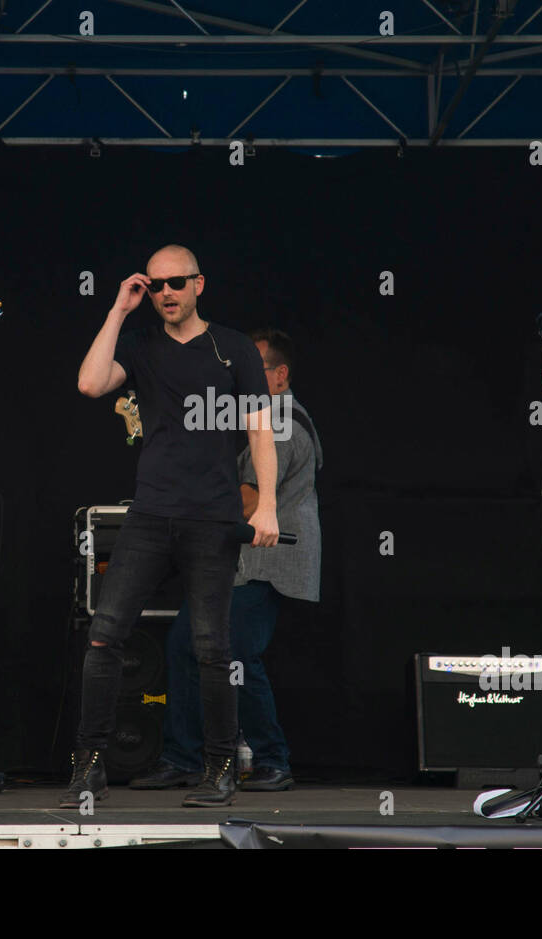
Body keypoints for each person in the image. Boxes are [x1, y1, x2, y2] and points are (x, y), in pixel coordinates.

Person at [65, 244, 279, 808]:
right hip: (151, 514)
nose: (165, 294)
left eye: (176, 284)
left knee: (212, 647)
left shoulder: (232, 348)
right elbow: (89, 384)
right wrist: (117, 310)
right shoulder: (141, 344)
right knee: (104, 634)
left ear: (199, 285)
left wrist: (269, 505)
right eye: (156, 285)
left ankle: (219, 769)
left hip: (213, 517)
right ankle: (88, 769)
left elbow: (260, 430)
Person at [133, 329, 321, 793]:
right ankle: (182, 758)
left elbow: (248, 499)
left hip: (265, 562)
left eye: (255, 371)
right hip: (238, 564)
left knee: (237, 653)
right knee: (183, 645)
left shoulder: (280, 422)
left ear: (279, 376)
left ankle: (273, 759)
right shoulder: (259, 417)